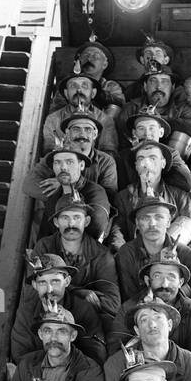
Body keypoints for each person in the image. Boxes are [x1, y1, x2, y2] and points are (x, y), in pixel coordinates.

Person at [107, 248, 191, 362]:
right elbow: (115, 350)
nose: (164, 283)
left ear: (180, 282)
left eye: (171, 277)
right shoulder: (129, 308)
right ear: (147, 280)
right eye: (157, 276)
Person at [32, 192, 120, 322]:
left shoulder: (102, 255)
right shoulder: (44, 247)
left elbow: (113, 304)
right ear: (56, 222)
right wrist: (80, 293)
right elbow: (32, 291)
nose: (71, 224)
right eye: (65, 218)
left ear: (87, 221)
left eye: (77, 217)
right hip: (49, 318)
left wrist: (61, 294)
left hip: (86, 321)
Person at [112, 141, 191, 255]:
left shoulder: (178, 196)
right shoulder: (124, 197)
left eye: (153, 158)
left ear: (163, 163)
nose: (146, 163)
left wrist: (184, 255)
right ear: (136, 166)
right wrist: (125, 257)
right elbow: (117, 232)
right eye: (141, 159)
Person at [10, 254, 106, 364]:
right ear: (34, 285)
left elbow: (97, 355)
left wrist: (68, 327)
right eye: (42, 282)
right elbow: (20, 355)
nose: (49, 289)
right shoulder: (26, 312)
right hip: (38, 376)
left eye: (55, 281)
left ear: (67, 281)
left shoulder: (84, 309)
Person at [115, 198, 191, 304]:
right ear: (137, 223)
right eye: (145, 218)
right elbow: (129, 295)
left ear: (168, 222)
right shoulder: (127, 253)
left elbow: (190, 295)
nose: (152, 224)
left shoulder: (185, 254)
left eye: (159, 217)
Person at [23, 147, 112, 242]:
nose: (63, 167)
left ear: (81, 165)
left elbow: (95, 228)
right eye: (57, 162)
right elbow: (45, 235)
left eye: (69, 162)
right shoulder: (54, 197)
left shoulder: (95, 192)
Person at [117, 110, 191, 195]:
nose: (147, 134)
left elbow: (187, 184)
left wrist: (156, 174)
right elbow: (121, 189)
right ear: (134, 133)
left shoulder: (171, 154)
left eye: (152, 128)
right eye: (141, 128)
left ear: (161, 132)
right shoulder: (123, 156)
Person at [42, 72, 118, 154]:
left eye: (84, 86)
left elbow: (109, 152)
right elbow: (49, 151)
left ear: (93, 93)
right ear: (66, 93)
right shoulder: (53, 119)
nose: (79, 90)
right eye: (73, 86)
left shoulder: (104, 120)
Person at [48, 37, 125, 112]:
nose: (89, 59)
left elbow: (118, 105)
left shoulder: (110, 86)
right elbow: (56, 111)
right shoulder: (68, 85)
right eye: (86, 55)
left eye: (96, 56)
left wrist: (99, 95)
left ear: (104, 65)